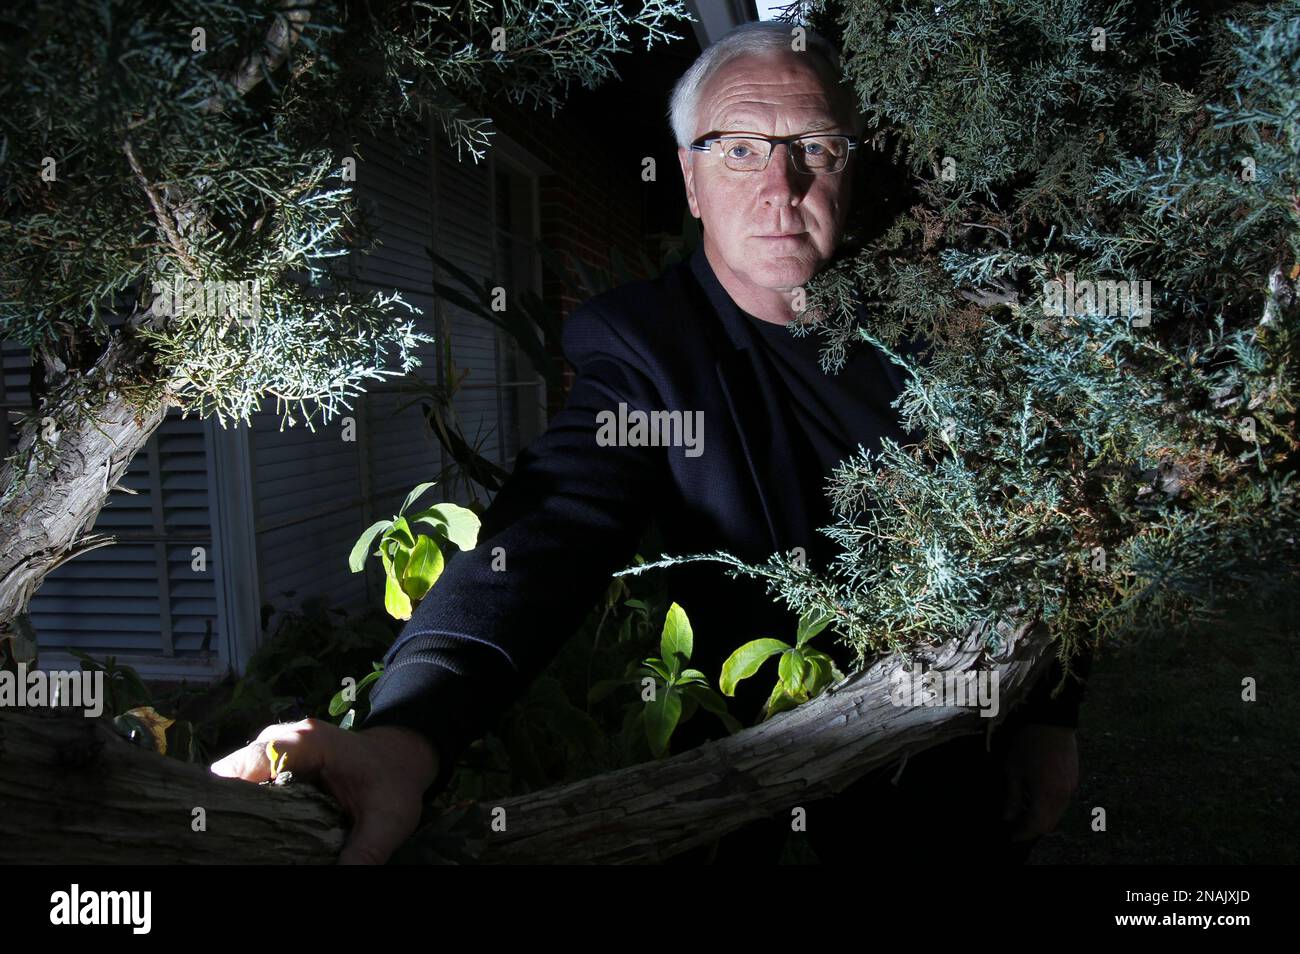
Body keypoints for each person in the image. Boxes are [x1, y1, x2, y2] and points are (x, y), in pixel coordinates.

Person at [211, 21, 1089, 865]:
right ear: (689, 181)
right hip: (742, 759)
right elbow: (550, 527)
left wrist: (1051, 715)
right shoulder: (649, 351)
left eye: (814, 148)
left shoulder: (940, 332)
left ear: (847, 171)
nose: (781, 187)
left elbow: (1051, 518)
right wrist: (409, 732)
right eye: (739, 150)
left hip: (947, 750)